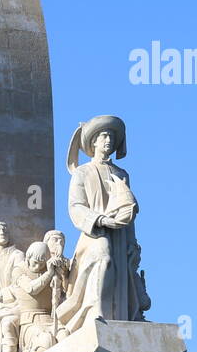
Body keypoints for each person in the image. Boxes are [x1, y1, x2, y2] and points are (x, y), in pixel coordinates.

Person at [56, 115, 151, 333]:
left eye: (111, 136)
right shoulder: (82, 172)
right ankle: (93, 308)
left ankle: (122, 316)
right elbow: (76, 206)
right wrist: (99, 220)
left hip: (120, 234)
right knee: (103, 254)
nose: (108, 140)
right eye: (103, 136)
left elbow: (128, 209)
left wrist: (132, 241)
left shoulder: (122, 174)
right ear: (94, 142)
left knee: (122, 271)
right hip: (94, 234)